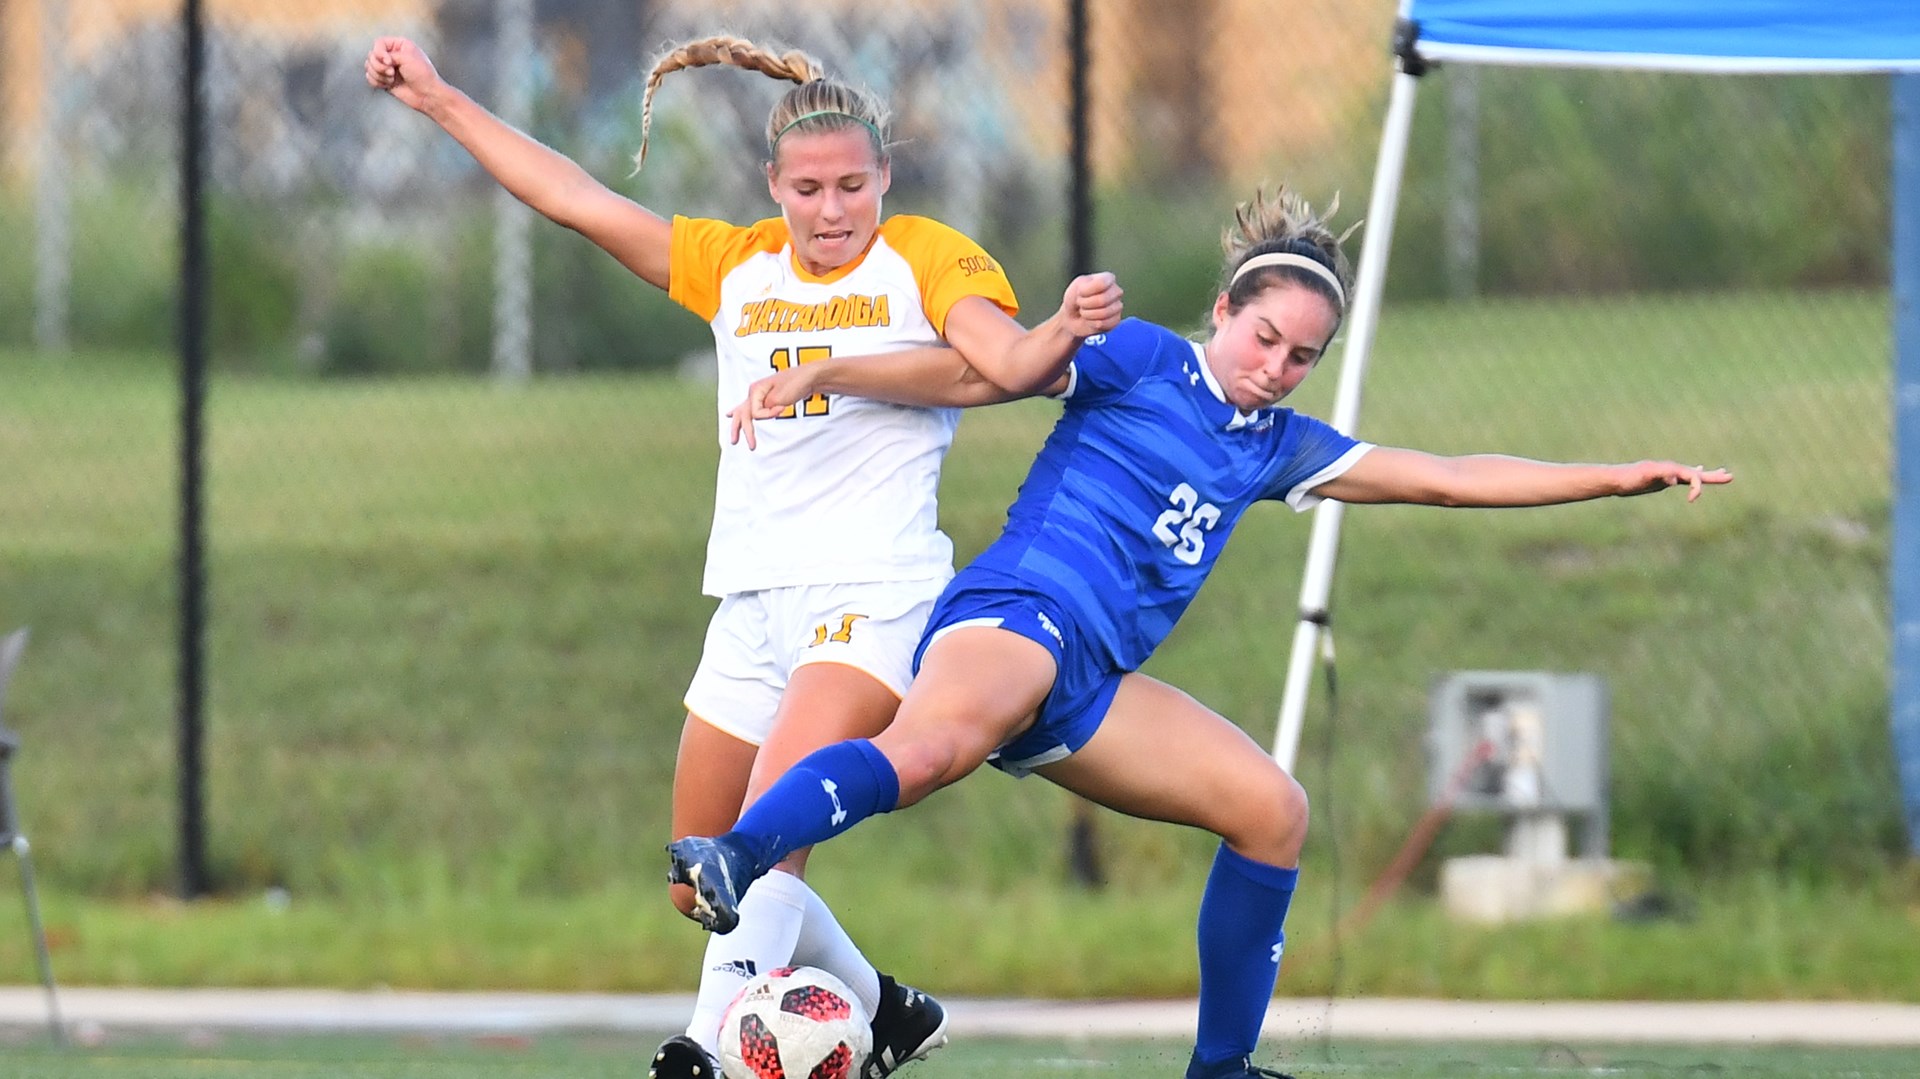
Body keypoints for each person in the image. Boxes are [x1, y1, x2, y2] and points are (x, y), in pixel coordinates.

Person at [672, 186, 1733, 1079]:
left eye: (1302, 356)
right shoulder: (1140, 359)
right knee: (931, 747)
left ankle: (1220, 1068)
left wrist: (1616, 476)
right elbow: (991, 371)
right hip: (1016, 612)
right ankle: (738, 852)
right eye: (1264, 335)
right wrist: (835, 367)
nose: (1276, 365)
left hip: (1090, 677)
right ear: (1222, 310)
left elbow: (1450, 479)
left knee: (1272, 810)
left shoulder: (1275, 445)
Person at [364, 32, 1124, 1079]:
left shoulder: (925, 256)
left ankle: (699, 1053)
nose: (831, 209)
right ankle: (883, 1007)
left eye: (852, 184)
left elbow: (1000, 365)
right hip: (753, 605)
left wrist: (1050, 333)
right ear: (774, 187)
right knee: (695, 881)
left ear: (884, 178)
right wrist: (443, 101)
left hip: (871, 600)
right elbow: (578, 199)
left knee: (762, 846)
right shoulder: (738, 266)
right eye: (808, 189)